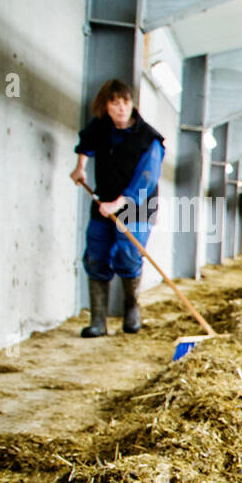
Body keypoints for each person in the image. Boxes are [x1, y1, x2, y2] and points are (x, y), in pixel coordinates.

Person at [70, 80, 165, 338]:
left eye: (125, 102)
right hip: (103, 202)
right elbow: (85, 143)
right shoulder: (101, 128)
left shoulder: (149, 139)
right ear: (106, 106)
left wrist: (119, 204)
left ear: (132, 103)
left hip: (138, 205)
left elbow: (146, 179)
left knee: (128, 254)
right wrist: (80, 167)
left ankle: (131, 310)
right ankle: (98, 322)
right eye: (114, 102)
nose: (121, 108)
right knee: (95, 255)